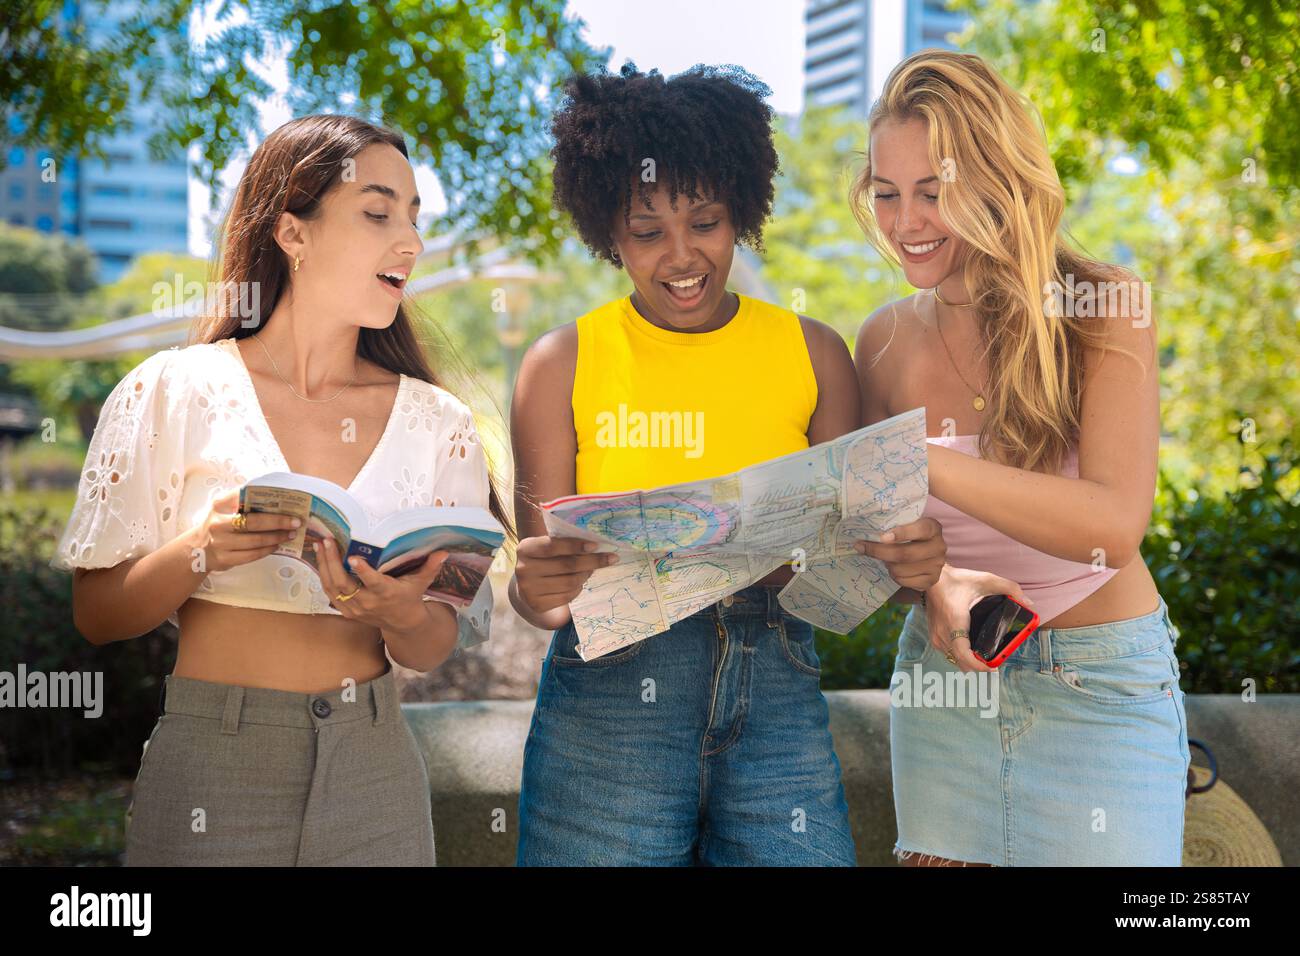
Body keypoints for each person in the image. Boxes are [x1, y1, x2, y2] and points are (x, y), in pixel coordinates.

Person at [509, 63, 947, 866]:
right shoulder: (560, 364)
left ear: (739, 214)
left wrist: (905, 562)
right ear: (608, 233)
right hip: (609, 709)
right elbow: (542, 593)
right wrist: (532, 586)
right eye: (647, 232)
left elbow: (838, 568)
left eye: (705, 222)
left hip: (777, 688)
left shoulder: (815, 353)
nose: (682, 256)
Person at [53, 113, 511, 866]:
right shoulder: (172, 390)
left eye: (415, 218)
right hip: (213, 763)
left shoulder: (440, 422)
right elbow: (98, 614)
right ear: (292, 234)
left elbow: (434, 643)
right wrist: (201, 550)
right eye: (377, 212)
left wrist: (399, 611)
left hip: (375, 772)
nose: (412, 242)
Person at [851, 50, 1190, 866]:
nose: (906, 223)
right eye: (887, 194)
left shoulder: (1103, 310)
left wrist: (922, 461)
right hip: (946, 689)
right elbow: (884, 544)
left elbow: (1111, 524)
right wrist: (926, 582)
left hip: (1101, 689)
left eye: (933, 191)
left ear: (998, 179)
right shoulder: (883, 343)